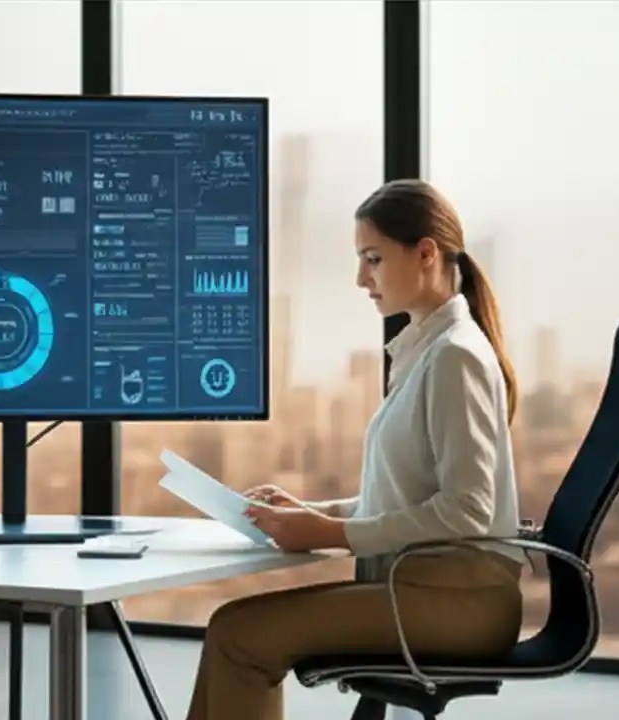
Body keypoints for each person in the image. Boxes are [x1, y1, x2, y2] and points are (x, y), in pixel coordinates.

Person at [185, 179, 527, 720]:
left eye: (373, 259)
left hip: (461, 604)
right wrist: (310, 513)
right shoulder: (425, 351)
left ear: (426, 254)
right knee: (232, 629)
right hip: (428, 591)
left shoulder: (455, 356)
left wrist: (329, 533)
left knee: (240, 637)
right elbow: (403, 497)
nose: (361, 278)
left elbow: (466, 510)